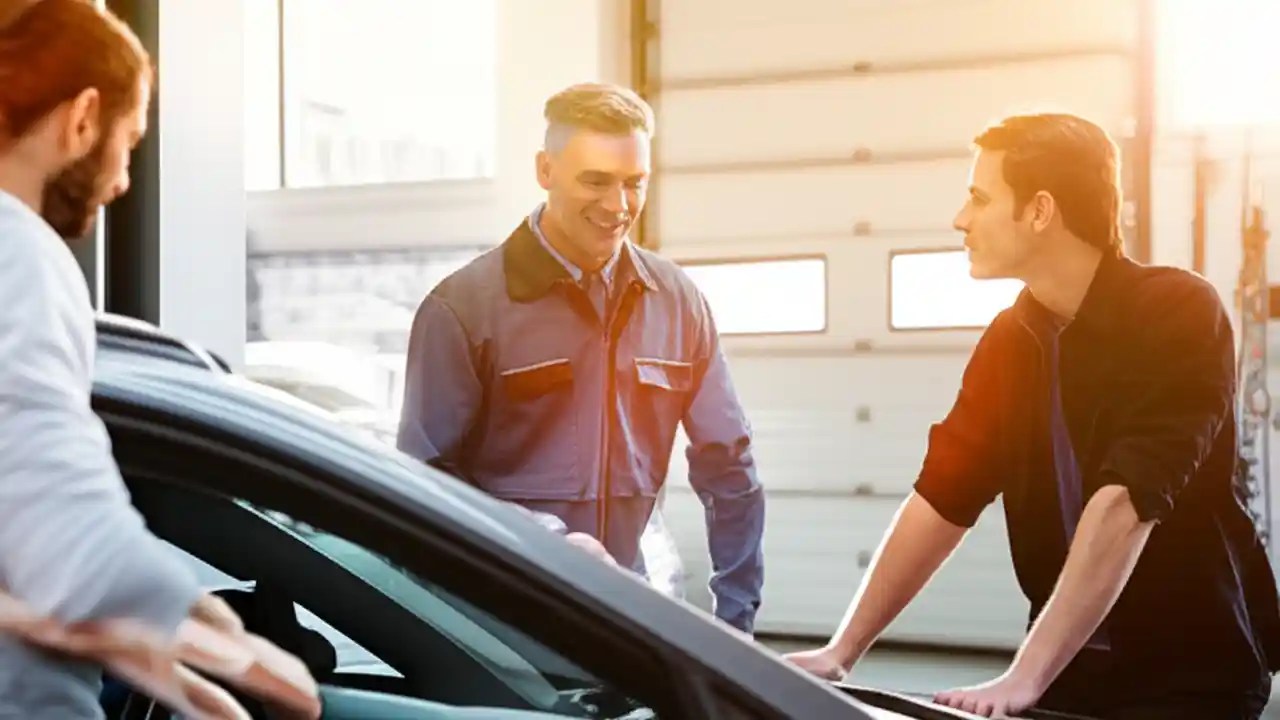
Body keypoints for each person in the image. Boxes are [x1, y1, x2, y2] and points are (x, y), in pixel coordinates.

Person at [785, 113, 1280, 719]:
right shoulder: (1010, 340)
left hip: (1189, 675)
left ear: (1040, 211)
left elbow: (1127, 501)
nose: (960, 219)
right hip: (1069, 676)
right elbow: (942, 497)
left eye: (979, 197)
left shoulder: (1177, 312)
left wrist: (1023, 676)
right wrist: (843, 650)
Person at [0, 2, 312, 717]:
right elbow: (60, 518)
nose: (124, 181)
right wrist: (215, 633)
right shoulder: (17, 251)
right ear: (82, 118)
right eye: (129, 141)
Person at [397, 82, 765, 633]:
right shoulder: (463, 309)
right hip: (504, 616)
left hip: (636, 610)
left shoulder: (677, 300)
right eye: (595, 181)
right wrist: (550, 541)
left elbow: (729, 465)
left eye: (634, 184)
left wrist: (736, 623)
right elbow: (425, 480)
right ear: (545, 170)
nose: (618, 207)